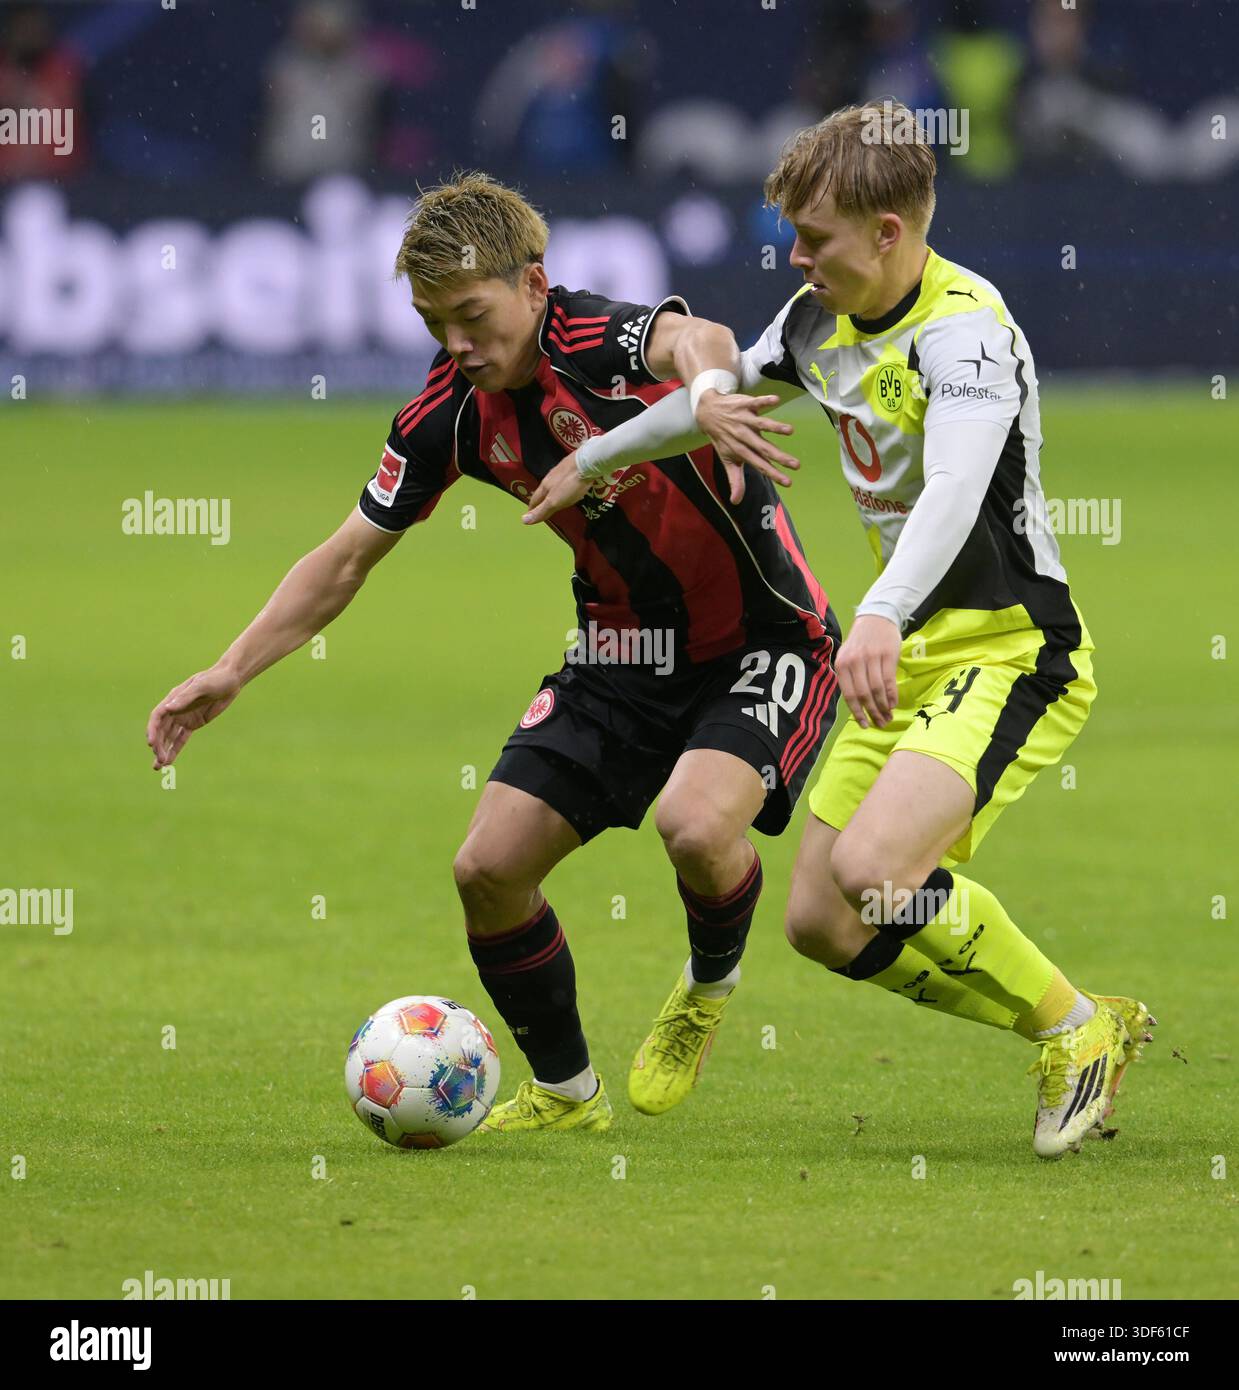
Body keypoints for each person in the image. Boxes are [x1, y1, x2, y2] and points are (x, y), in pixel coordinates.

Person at [147, 172, 840, 1135]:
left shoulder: (590, 338)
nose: (457, 343)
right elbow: (345, 558)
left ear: (532, 285)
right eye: (434, 323)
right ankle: (566, 1094)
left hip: (762, 640)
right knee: (487, 868)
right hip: (616, 655)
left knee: (692, 827)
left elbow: (699, 338)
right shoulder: (446, 415)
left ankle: (705, 987)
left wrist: (712, 395)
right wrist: (231, 668)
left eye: (471, 315)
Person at [522, 105, 1154, 1159]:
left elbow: (954, 487)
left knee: (876, 870)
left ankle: (1073, 1028)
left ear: (888, 232)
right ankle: (1078, 1020)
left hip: (1009, 649)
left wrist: (876, 614)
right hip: (900, 656)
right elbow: (717, 394)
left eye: (814, 238)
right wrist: (592, 459)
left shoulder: (966, 334)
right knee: (822, 920)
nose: (796, 258)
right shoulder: (819, 320)